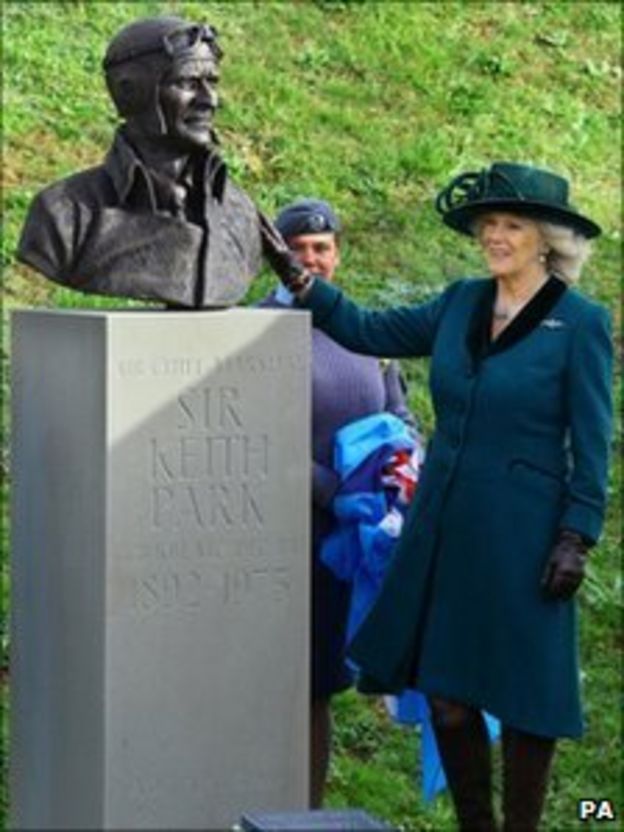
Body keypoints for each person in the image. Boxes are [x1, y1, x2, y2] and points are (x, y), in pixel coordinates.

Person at [263, 163, 613, 831]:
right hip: (444, 531)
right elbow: (368, 331)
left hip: (528, 536)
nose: (496, 236)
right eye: (488, 225)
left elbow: (592, 440)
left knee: (522, 699)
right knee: (448, 698)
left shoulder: (580, 324)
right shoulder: (460, 304)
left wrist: (578, 533)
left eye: (512, 224)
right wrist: (301, 282)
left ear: (547, 239)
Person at [260, 198, 415, 808]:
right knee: (263, 679)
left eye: (321, 249)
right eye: (296, 249)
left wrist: (398, 473)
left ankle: (306, 809)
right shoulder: (256, 331)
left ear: (337, 254)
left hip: (347, 545)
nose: (310, 259)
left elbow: (397, 413)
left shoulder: (364, 331)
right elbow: (257, 433)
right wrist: (330, 486)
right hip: (280, 531)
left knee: (318, 683)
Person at [17, 16, 282, 308]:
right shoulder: (63, 215)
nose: (210, 100)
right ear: (130, 92)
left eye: (212, 82)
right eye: (187, 83)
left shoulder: (240, 211)